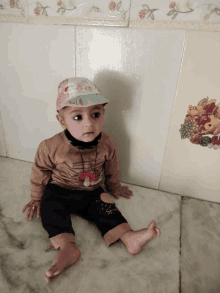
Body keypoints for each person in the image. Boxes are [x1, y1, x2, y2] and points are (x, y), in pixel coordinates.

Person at [22, 77, 161, 283]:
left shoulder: (107, 143)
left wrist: (115, 186)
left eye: (95, 114)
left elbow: (113, 165)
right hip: (59, 189)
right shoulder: (50, 146)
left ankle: (128, 237)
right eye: (77, 117)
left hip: (92, 191)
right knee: (49, 209)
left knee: (107, 208)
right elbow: (40, 171)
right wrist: (36, 197)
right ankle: (68, 247)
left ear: (103, 114)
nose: (89, 123)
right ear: (62, 121)